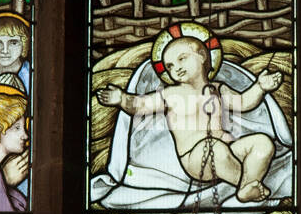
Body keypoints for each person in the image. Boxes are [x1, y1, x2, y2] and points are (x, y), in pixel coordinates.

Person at [97, 22, 282, 203]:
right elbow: (140, 105)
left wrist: (260, 87)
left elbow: (243, 102)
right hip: (195, 158)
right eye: (169, 66)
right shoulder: (170, 94)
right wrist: (121, 98)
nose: (175, 67)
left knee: (263, 143)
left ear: (202, 56)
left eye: (182, 58)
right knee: (214, 148)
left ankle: (248, 186)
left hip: (227, 152)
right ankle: (244, 185)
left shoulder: (218, 89)